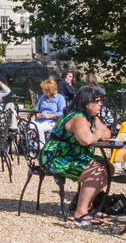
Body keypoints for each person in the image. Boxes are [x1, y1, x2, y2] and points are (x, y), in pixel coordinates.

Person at [42, 86, 113, 229]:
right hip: (56, 158)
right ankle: (80, 214)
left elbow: (107, 134)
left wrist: (97, 131)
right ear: (86, 103)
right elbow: (86, 140)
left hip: (75, 156)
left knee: (108, 167)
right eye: (97, 101)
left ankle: (88, 206)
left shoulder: (91, 117)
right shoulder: (77, 118)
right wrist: (97, 132)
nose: (101, 104)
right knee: (97, 170)